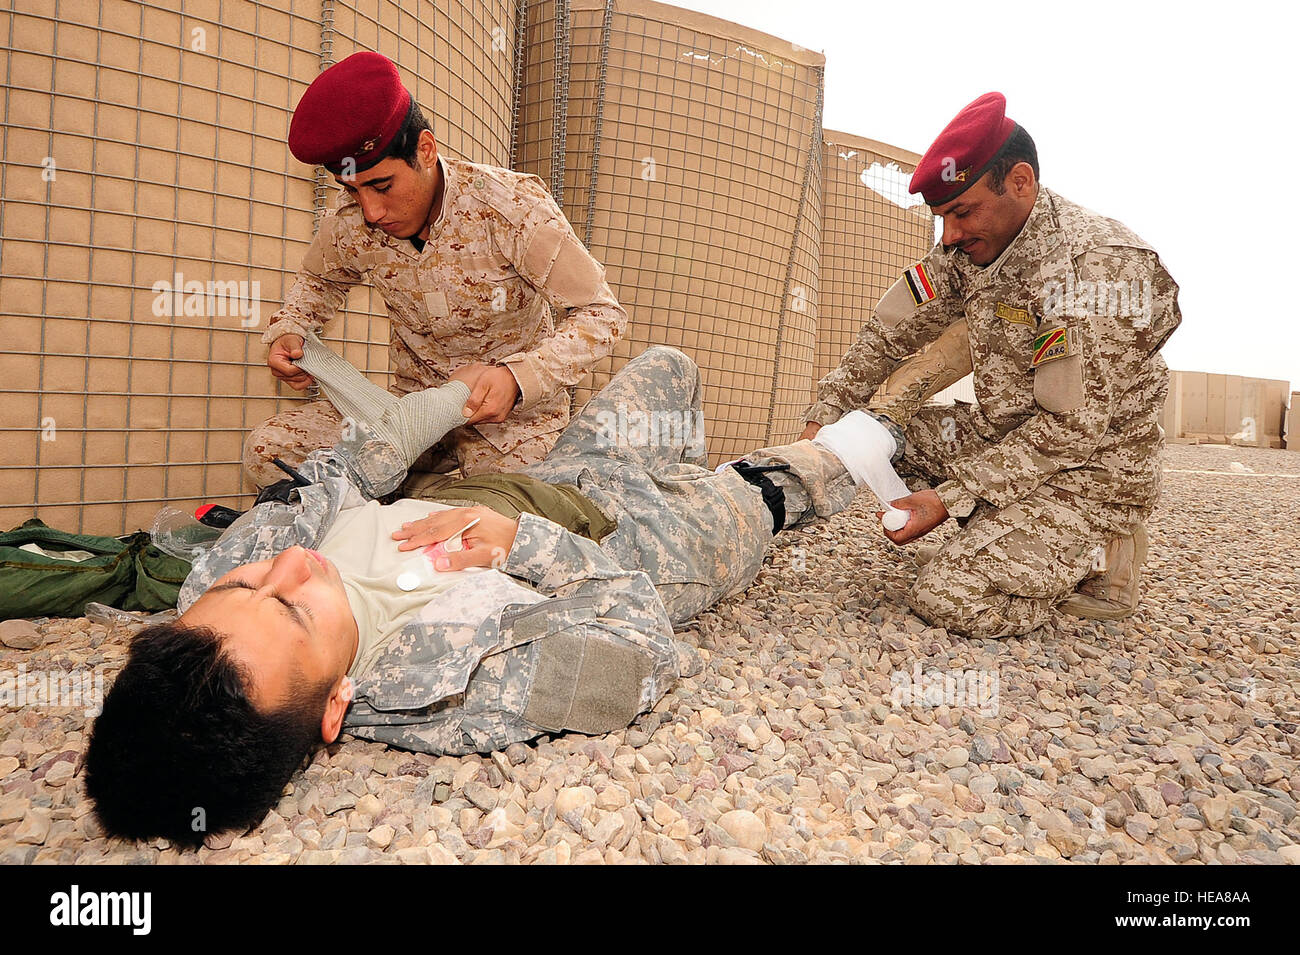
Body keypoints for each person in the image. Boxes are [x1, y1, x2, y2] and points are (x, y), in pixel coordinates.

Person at [84, 342, 894, 848]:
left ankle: (680, 472)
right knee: (780, 483)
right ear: (335, 709)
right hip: (638, 541)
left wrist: (420, 418)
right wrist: (522, 544)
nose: (288, 565)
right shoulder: (465, 688)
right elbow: (645, 644)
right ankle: (844, 454)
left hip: (544, 476)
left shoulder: (209, 600)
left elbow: (330, 481)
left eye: (246, 581)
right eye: (292, 604)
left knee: (672, 365)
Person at [801, 92, 1181, 637]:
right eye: (941, 218)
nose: (949, 236)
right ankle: (1007, 539)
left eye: (961, 212)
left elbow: (1072, 429)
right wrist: (830, 413)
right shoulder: (970, 246)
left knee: (947, 598)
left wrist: (950, 498)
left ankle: (1100, 548)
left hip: (1088, 472)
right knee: (878, 436)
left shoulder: (1098, 271)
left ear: (1020, 182)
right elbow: (891, 329)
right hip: (1006, 438)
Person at [243, 51, 627, 492]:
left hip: (510, 421)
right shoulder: (351, 222)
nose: (370, 210)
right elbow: (319, 281)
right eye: (353, 190)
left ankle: (414, 498)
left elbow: (602, 314)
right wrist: (290, 329)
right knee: (270, 452)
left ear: (425, 150)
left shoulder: (510, 208)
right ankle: (406, 498)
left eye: (382, 185)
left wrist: (520, 378)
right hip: (411, 412)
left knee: (506, 513)